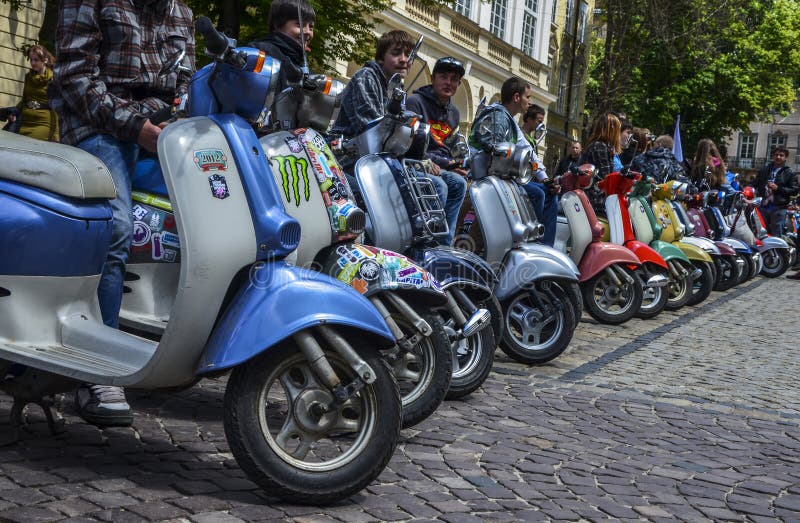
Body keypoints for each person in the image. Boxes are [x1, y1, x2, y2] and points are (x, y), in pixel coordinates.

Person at [48, 0, 195, 427]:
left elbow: (182, 83)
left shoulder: (181, 13)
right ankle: (98, 364)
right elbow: (74, 77)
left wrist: (172, 121)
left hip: (157, 131)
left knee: (207, 216)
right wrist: (137, 127)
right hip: (95, 124)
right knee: (117, 227)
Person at [405, 57, 468, 246]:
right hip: (413, 162)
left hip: (438, 166)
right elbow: (409, 145)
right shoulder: (415, 102)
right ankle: (425, 243)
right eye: (444, 77)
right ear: (432, 79)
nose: (449, 83)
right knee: (439, 186)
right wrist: (440, 163)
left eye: (454, 79)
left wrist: (453, 164)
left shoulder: (454, 113)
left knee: (459, 183)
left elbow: (447, 148)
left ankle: (443, 244)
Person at [331, 29, 413, 140]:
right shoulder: (366, 77)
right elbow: (372, 130)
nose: (404, 59)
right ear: (381, 59)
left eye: (408, 55)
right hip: (343, 153)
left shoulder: (397, 88)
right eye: (396, 53)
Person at [249, 0, 315, 89]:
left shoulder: (303, 67)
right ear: (277, 24)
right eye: (300, 25)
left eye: (311, 27)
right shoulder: (259, 53)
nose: (307, 32)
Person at [520, 103, 559, 246]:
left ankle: (547, 242)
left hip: (530, 179)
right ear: (529, 119)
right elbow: (531, 160)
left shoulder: (531, 140)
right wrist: (543, 178)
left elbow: (535, 162)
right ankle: (533, 235)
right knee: (539, 194)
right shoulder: (521, 136)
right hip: (519, 179)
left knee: (552, 193)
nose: (540, 126)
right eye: (539, 121)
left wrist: (547, 180)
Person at [1, 45, 59, 141]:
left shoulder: (54, 79)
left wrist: (56, 135)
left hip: (43, 123)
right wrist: (13, 113)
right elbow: (24, 99)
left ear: (45, 60)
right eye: (31, 60)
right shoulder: (28, 77)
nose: (32, 63)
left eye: (36, 60)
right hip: (24, 121)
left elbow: (57, 106)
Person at [580, 112, 622, 215]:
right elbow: (606, 177)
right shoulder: (599, 147)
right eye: (617, 129)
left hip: (593, 195)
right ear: (611, 129)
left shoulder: (599, 145)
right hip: (596, 198)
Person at [754, 145, 798, 237]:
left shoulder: (790, 172)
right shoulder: (764, 170)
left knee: (776, 235)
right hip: (763, 207)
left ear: (785, 158)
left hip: (779, 208)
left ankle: (777, 251)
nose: (778, 157)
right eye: (776, 155)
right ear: (773, 156)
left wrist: (778, 188)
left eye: (781, 155)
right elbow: (754, 184)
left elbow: (794, 190)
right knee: (760, 234)